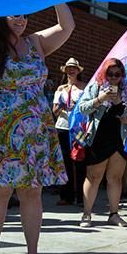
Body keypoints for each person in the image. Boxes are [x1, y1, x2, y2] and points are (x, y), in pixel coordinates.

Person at [0, 5, 73, 254]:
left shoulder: (36, 42)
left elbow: (67, 27)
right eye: (14, 14)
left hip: (37, 134)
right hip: (2, 132)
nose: (21, 20)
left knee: (32, 193)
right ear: (0, 16)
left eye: (25, 15)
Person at [77, 58, 127, 227]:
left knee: (115, 178)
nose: (113, 77)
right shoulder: (95, 87)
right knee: (94, 177)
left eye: (117, 74)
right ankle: (87, 214)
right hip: (98, 136)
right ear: (104, 73)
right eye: (110, 74)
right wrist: (100, 99)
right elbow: (82, 108)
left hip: (119, 137)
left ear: (122, 75)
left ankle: (114, 214)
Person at [52, 57, 86, 206]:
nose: (71, 70)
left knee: (80, 161)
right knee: (65, 162)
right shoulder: (61, 89)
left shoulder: (84, 88)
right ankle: (66, 195)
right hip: (63, 127)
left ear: (78, 71)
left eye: (73, 68)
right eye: (68, 68)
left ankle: (81, 195)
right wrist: (62, 106)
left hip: (79, 128)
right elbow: (54, 111)